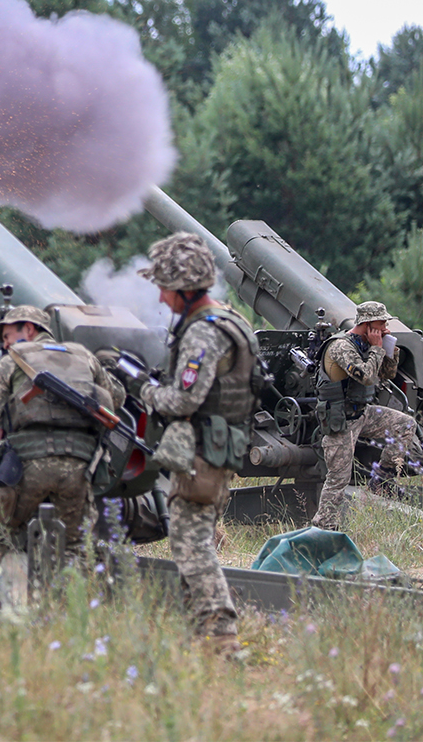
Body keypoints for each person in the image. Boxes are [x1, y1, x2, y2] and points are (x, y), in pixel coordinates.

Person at [138, 232, 258, 654]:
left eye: (163, 288)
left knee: (191, 546)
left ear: (184, 289)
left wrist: (146, 391)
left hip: (201, 454)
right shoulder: (232, 320)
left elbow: (186, 397)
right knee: (197, 539)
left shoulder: (202, 333)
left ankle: (222, 636)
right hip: (222, 448)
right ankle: (200, 638)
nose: (160, 298)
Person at [0, 304, 124, 590]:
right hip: (79, 467)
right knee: (75, 546)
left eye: (9, 334)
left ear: (29, 329)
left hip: (28, 466)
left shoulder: (12, 360)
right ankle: (73, 613)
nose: (5, 343)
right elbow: (117, 398)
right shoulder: (83, 355)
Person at [310, 300, 421, 531]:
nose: (385, 327)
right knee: (338, 478)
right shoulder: (341, 346)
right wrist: (377, 347)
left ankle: (382, 479)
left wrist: (389, 347)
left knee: (405, 424)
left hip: (362, 412)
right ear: (368, 324)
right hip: (340, 418)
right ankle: (323, 527)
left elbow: (386, 375)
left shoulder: (366, 344)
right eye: (381, 323)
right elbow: (367, 377)